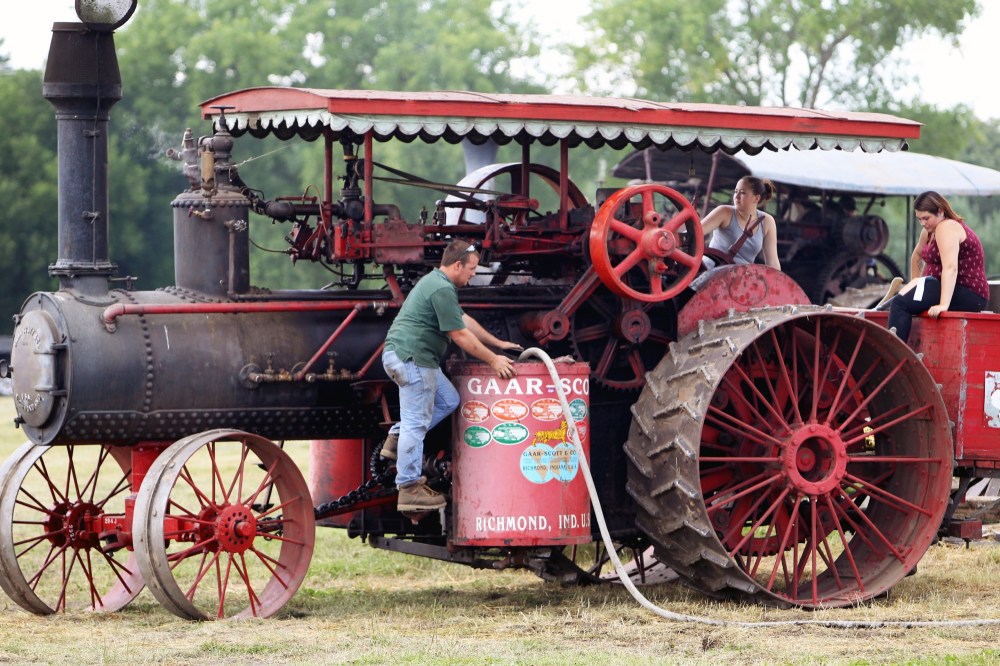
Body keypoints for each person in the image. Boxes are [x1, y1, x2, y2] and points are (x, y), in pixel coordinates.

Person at [381, 238, 521, 513]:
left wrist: (498, 344)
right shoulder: (441, 289)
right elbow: (458, 335)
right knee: (416, 422)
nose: (473, 274)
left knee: (448, 400)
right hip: (414, 359)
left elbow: (463, 321)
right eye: (472, 268)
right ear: (457, 265)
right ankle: (408, 488)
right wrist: (493, 360)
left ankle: (396, 438)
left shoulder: (437, 284)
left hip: (407, 357)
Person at [885, 191, 989, 342]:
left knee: (899, 303)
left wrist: (943, 304)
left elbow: (950, 268)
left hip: (968, 292)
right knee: (899, 301)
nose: (923, 223)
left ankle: (894, 356)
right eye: (919, 219)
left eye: (926, 218)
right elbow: (917, 256)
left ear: (940, 211)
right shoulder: (928, 231)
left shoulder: (947, 227)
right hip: (938, 286)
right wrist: (915, 284)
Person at [699, 176, 781, 270]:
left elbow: (773, 263)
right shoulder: (724, 212)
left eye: (742, 193)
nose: (736, 197)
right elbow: (695, 233)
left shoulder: (767, 222)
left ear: (756, 198)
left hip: (741, 280)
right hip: (710, 273)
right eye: (735, 192)